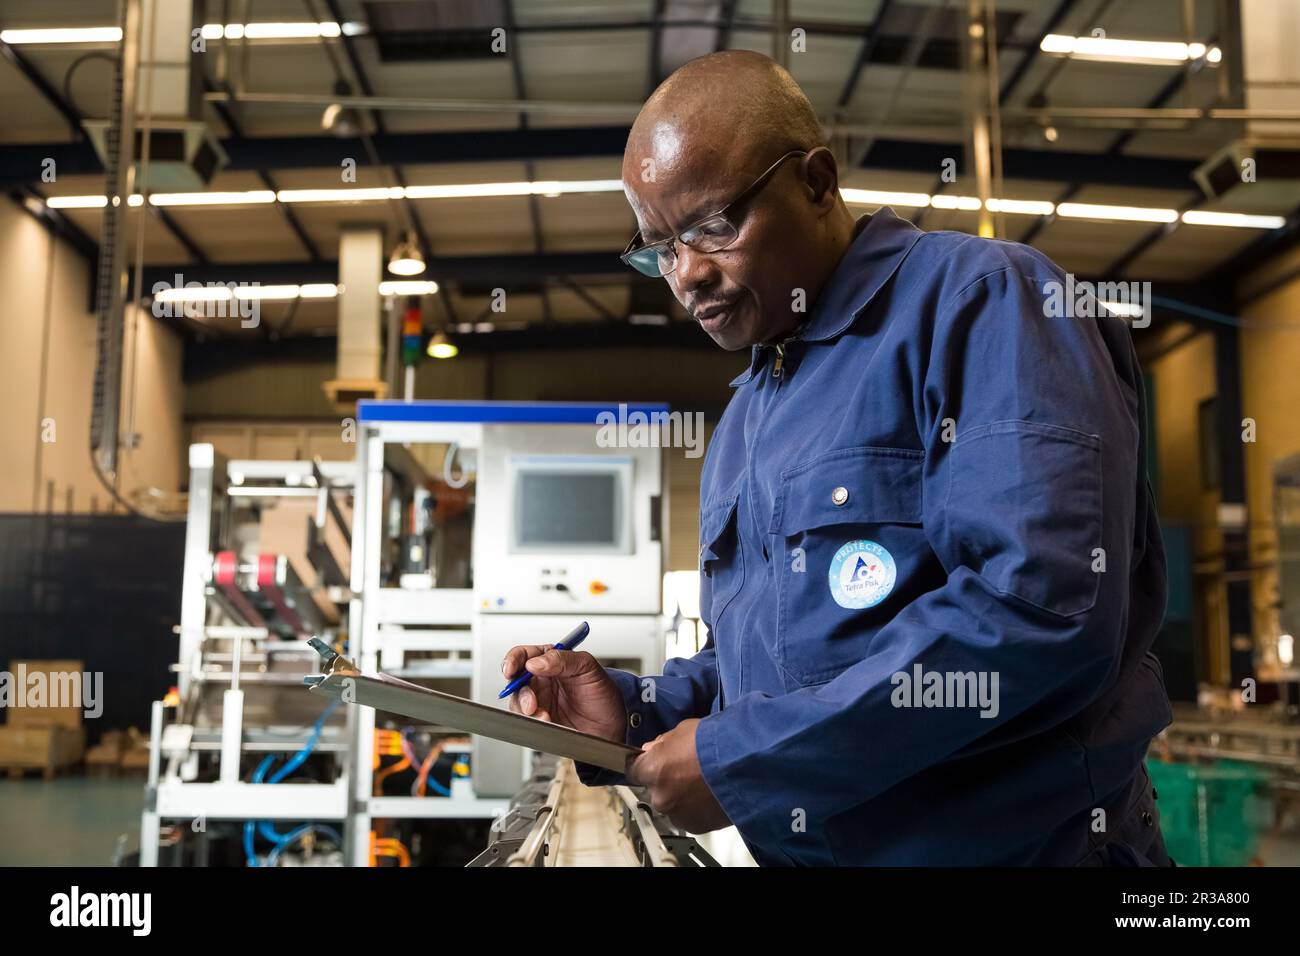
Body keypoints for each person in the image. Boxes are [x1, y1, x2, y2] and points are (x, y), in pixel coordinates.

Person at [502, 51, 1173, 866]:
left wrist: (745, 759)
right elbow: (771, 659)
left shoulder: (984, 305)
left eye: (714, 226)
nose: (689, 276)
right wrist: (641, 710)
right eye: (660, 249)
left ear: (817, 181)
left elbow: (1039, 611)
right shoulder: (751, 408)